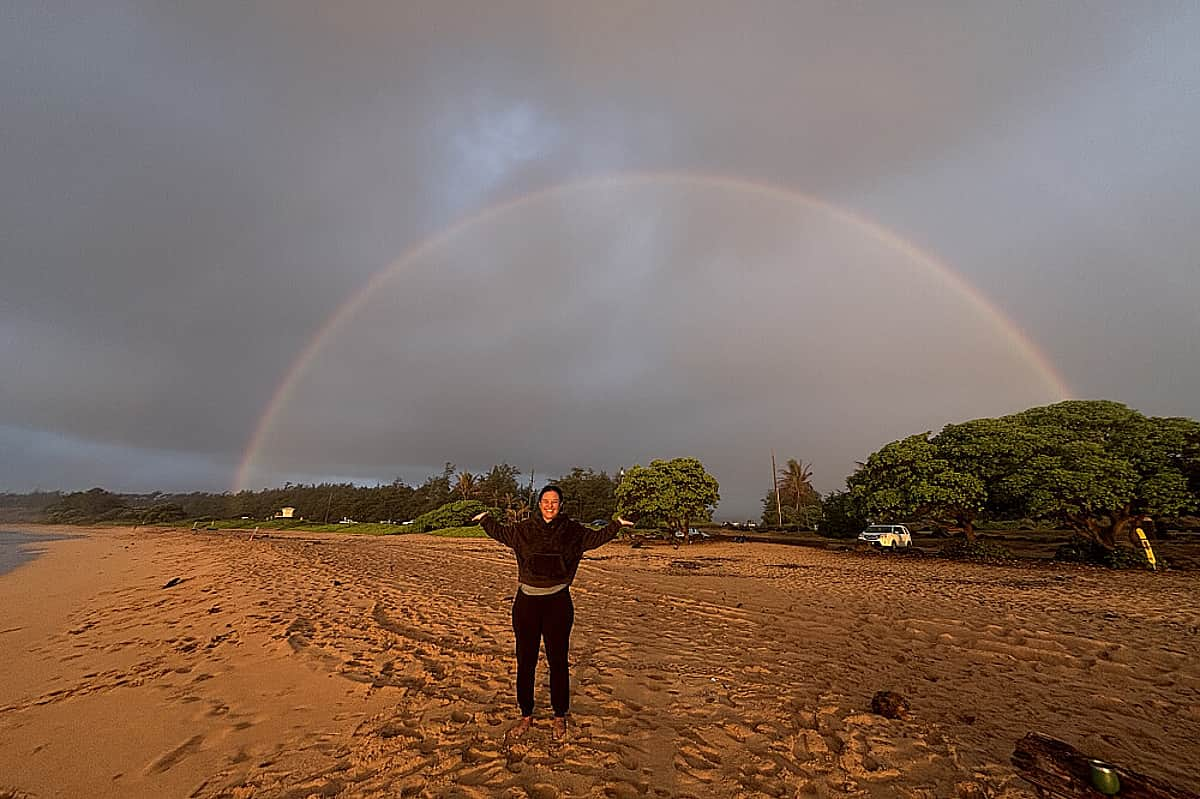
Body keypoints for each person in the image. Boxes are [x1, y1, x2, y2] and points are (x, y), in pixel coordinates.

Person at [472, 485, 633, 741]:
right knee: (526, 661)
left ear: (561, 504)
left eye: (555, 502)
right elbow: (500, 533)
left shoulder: (572, 530)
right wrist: (486, 520)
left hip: (558, 603)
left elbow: (595, 538)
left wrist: (616, 525)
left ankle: (560, 715)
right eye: (546, 501)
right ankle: (526, 714)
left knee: (558, 662)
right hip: (527, 604)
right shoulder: (524, 529)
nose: (550, 505)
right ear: (539, 503)